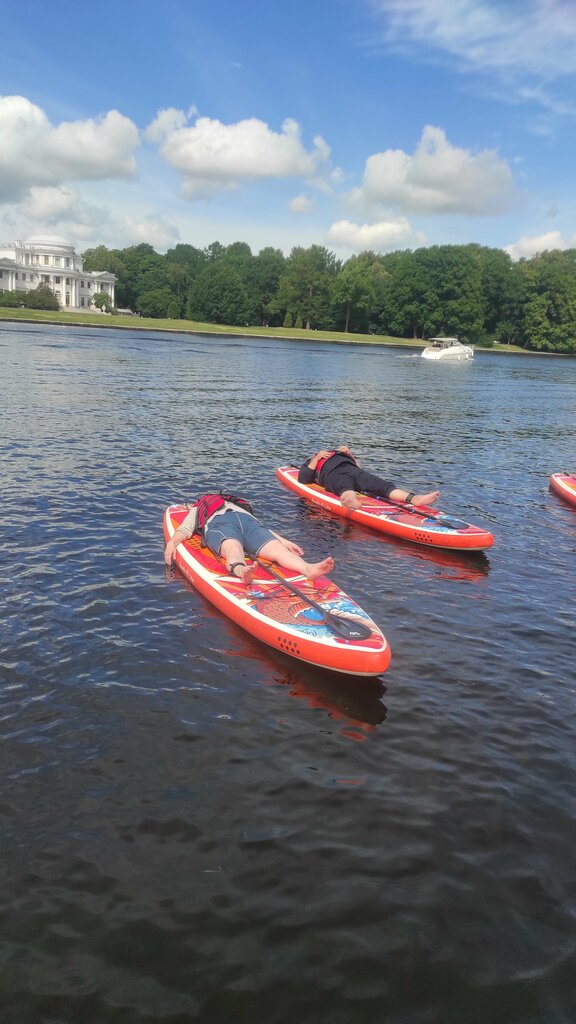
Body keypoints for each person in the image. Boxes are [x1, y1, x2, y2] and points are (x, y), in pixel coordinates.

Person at [164, 492, 334, 585]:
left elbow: (262, 527)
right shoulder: (205, 507)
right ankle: (241, 571)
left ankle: (308, 568)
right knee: (234, 548)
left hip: (241, 523)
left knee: (276, 549)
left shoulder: (211, 506)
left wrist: (283, 540)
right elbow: (185, 529)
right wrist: (172, 543)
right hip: (228, 523)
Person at [298, 446, 440, 511]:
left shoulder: (338, 453)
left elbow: (358, 467)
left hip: (354, 470)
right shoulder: (311, 462)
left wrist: (349, 454)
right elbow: (303, 479)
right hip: (333, 474)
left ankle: (415, 499)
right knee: (344, 485)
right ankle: (350, 500)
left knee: (381, 484)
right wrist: (317, 458)